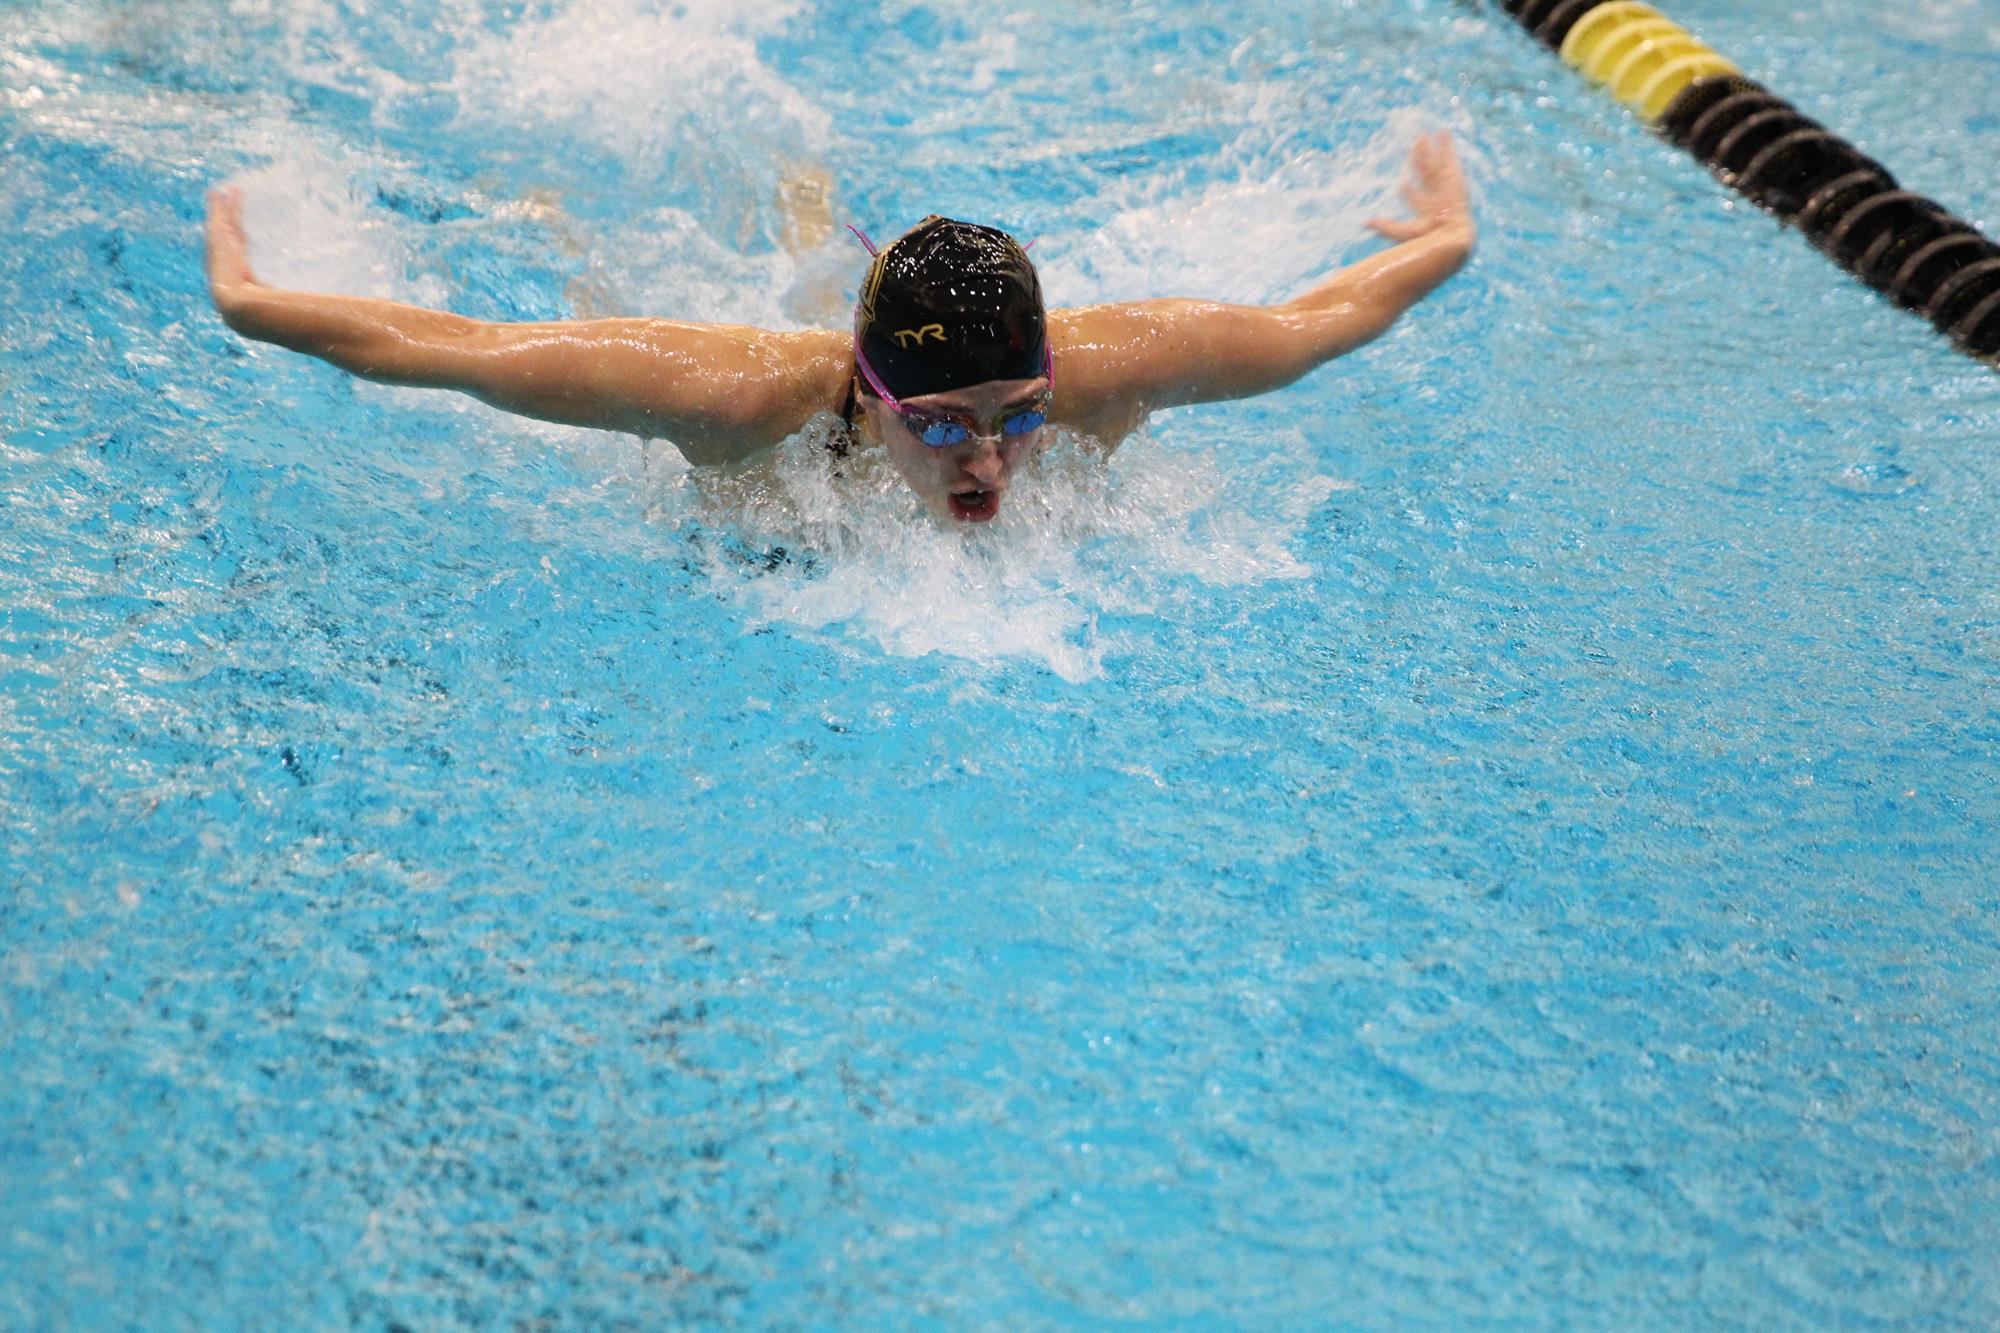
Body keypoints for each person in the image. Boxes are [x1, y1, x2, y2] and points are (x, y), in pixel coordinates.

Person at [205, 132, 1475, 524]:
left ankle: (812, 207)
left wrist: (1443, 239)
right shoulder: (730, 400)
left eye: (1015, 418)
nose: (986, 462)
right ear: (870, 396)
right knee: (609, 261)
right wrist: (254, 302)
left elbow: (1319, 321)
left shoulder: (1109, 372)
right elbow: (460, 348)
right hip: (775, 366)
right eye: (938, 426)